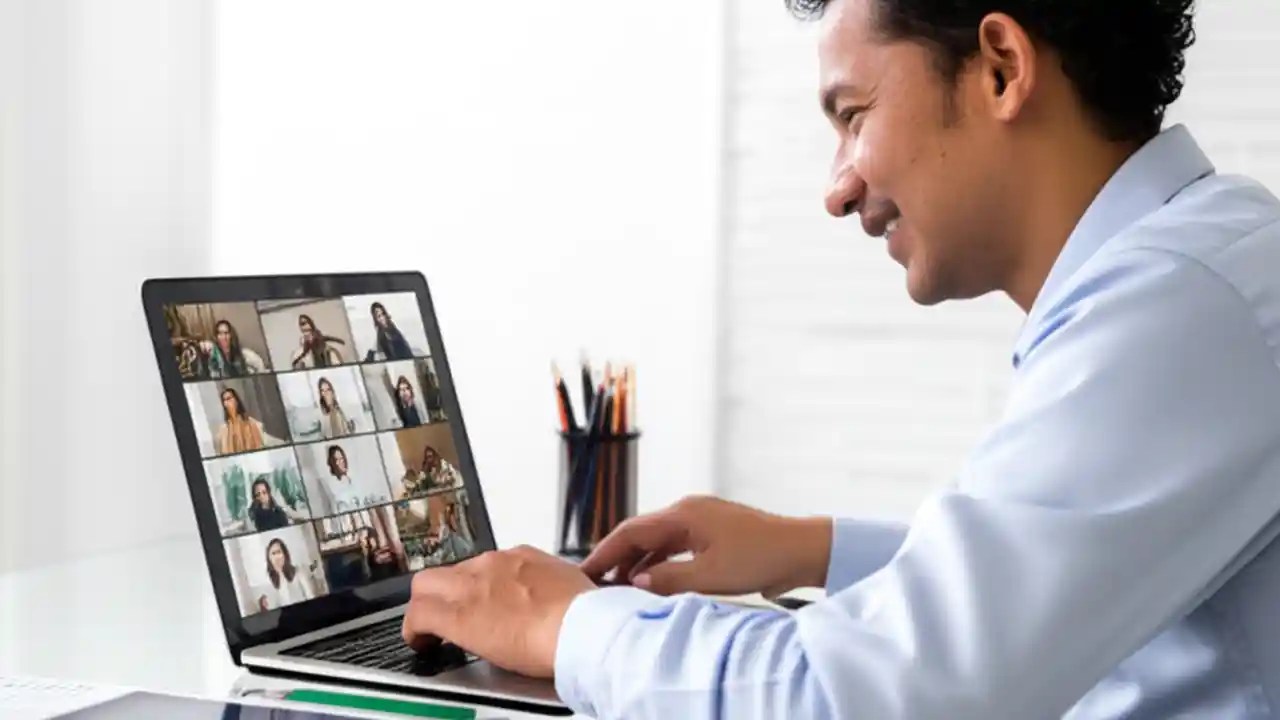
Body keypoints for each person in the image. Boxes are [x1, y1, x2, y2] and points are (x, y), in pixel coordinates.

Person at [400, 1, 1280, 718]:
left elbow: (864, 696)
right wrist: (810, 550)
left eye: (853, 115)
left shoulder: (1178, 306)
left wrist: (567, 626)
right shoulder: (1209, 258)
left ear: (1001, 68)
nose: (838, 187)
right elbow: (1054, 574)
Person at [320, 445, 386, 514]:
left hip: (361, 508)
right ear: (332, 463)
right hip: (350, 512)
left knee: (377, 505)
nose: (341, 462)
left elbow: (362, 497)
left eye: (342, 458)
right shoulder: (333, 483)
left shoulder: (351, 478)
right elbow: (340, 504)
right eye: (337, 460)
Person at [257, 537, 316, 611]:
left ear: (285, 554)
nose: (276, 557)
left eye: (279, 552)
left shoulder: (299, 571)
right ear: (269, 558)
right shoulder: (270, 581)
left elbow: (311, 596)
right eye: (273, 554)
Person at [215, 387, 275, 455]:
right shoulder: (224, 430)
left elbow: (264, 440)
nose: (226, 403)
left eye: (229, 398)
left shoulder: (251, 422)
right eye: (224, 400)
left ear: (236, 400)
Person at [202, 319, 268, 378]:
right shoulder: (214, 356)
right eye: (220, 333)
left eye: (226, 333)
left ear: (231, 335)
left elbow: (260, 365)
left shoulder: (244, 354)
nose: (223, 337)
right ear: (216, 337)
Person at [243, 477, 308, 532]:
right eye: (258, 494)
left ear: (268, 492)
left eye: (264, 492)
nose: (261, 496)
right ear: (254, 497)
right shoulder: (253, 515)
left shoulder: (278, 510)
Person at [398, 446, 463, 499]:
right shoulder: (429, 471)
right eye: (427, 458)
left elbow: (451, 479)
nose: (430, 460)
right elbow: (421, 484)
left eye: (431, 456)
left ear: (436, 456)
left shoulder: (446, 466)